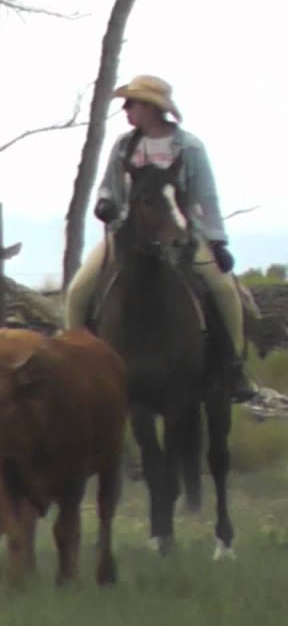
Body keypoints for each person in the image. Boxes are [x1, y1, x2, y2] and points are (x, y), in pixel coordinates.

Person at [64, 74, 256, 402]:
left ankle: (233, 366)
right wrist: (105, 202)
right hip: (127, 234)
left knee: (224, 289)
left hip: (180, 234)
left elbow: (206, 196)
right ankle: (74, 364)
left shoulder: (190, 147)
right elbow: (108, 185)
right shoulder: (124, 146)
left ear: (151, 107)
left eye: (132, 103)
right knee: (78, 290)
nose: (126, 109)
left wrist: (217, 241)